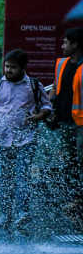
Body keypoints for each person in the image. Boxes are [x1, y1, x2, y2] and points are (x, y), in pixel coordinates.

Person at [0, 49, 52, 238]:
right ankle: (6, 214)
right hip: (1, 139)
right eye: (6, 66)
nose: (8, 70)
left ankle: (23, 214)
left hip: (26, 139)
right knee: (5, 179)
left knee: (23, 177)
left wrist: (37, 117)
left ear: (22, 68)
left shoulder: (34, 85)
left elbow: (46, 106)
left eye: (12, 67)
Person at [48, 27, 83, 229]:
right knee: (69, 162)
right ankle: (74, 200)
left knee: (79, 162)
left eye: (65, 43)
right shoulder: (61, 64)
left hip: (80, 123)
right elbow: (55, 87)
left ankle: (78, 201)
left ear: (75, 44)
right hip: (65, 122)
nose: (62, 46)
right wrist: (51, 106)